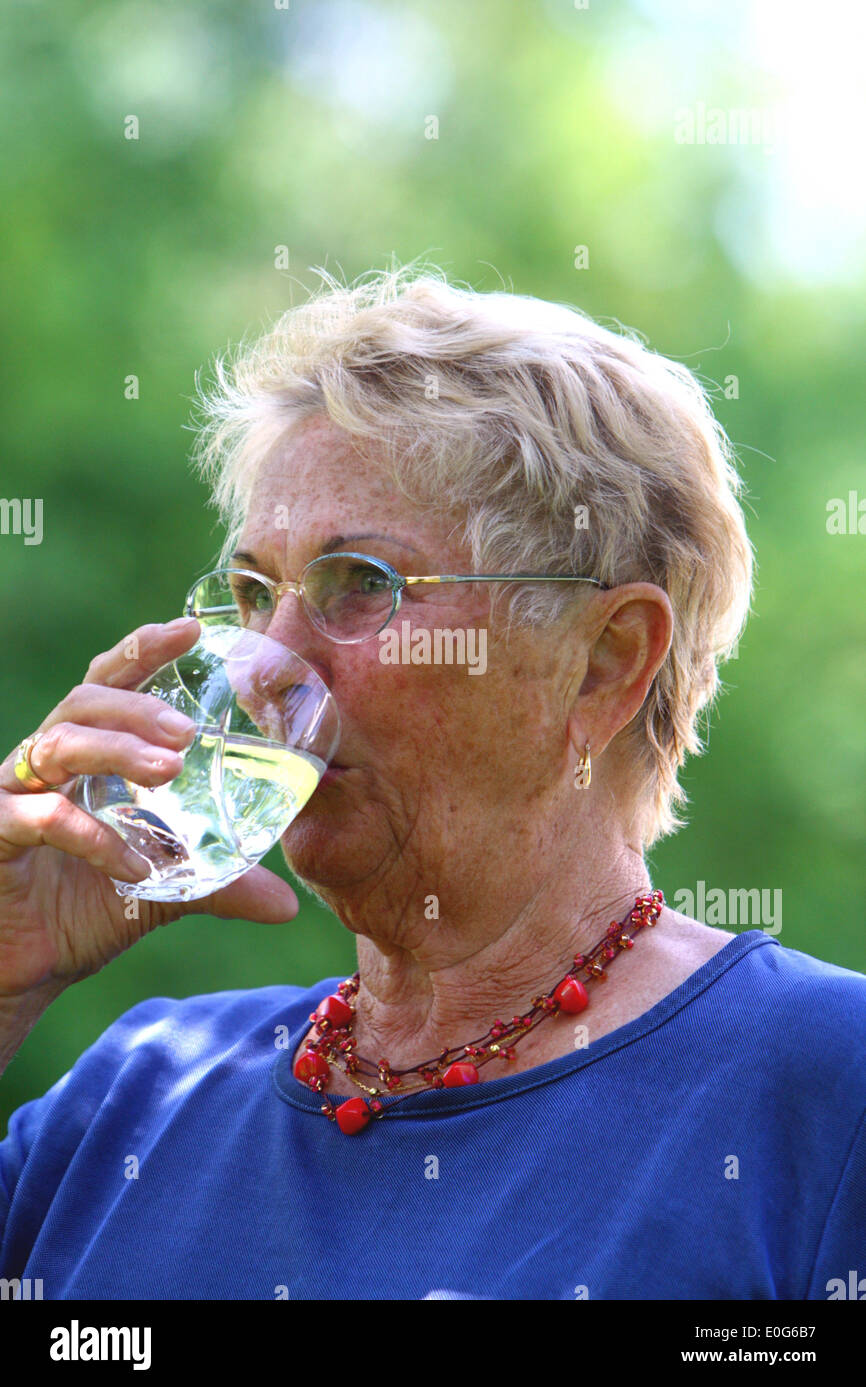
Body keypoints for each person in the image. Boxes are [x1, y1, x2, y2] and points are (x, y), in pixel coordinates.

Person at [1, 266, 863, 1300]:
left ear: (601, 662)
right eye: (248, 594)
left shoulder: (821, 1088)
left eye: (359, 583)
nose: (264, 670)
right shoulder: (139, 1092)